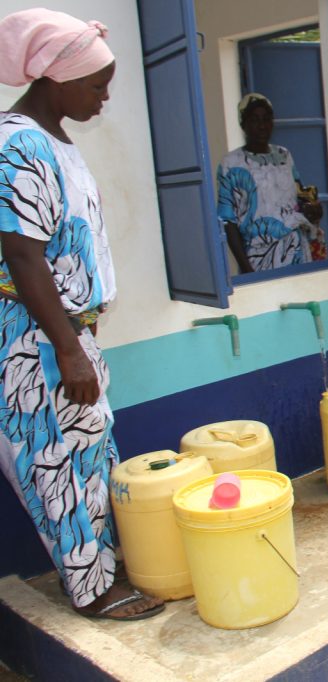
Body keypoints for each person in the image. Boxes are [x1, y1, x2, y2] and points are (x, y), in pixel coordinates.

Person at [0, 8, 164, 620]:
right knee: (56, 462)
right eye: (97, 85)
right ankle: (92, 589)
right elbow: (22, 254)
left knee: (90, 452)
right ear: (55, 78)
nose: (104, 96)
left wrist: (78, 341)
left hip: (69, 332)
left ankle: (101, 566)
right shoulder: (17, 143)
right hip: (36, 339)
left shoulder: (55, 143)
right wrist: (67, 348)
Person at [217, 92, 324, 273]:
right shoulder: (231, 164)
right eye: (255, 120)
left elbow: (299, 199)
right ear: (243, 124)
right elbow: (228, 222)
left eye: (267, 119)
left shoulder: (284, 156)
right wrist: (246, 269)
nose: (262, 126)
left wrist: (313, 210)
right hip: (259, 258)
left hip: (297, 251)